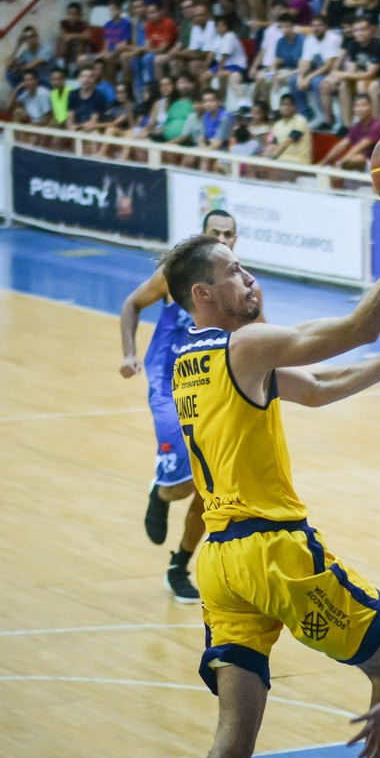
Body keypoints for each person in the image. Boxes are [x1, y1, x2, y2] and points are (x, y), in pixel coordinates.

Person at [159, 168, 380, 758]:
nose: (249, 278)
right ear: (203, 294)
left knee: (232, 741)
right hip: (272, 551)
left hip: (220, 564)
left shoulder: (189, 359)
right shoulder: (242, 347)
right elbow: (359, 329)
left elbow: (319, 388)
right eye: (234, 272)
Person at [120, 211, 241, 603]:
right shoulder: (174, 275)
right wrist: (129, 353)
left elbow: (260, 334)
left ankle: (179, 567)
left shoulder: (242, 285)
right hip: (169, 386)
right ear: (202, 236)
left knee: (210, 493)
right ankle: (161, 492)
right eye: (214, 232)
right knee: (181, 488)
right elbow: (132, 304)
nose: (222, 238)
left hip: (213, 388)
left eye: (228, 234)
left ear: (236, 240)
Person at [319, 93, 380, 170]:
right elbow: (341, 145)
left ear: (371, 107)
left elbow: (359, 147)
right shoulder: (356, 126)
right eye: (357, 106)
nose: (359, 109)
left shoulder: (378, 125)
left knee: (358, 158)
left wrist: (341, 164)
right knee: (353, 159)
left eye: (363, 105)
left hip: (378, 166)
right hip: (363, 165)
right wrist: (322, 163)